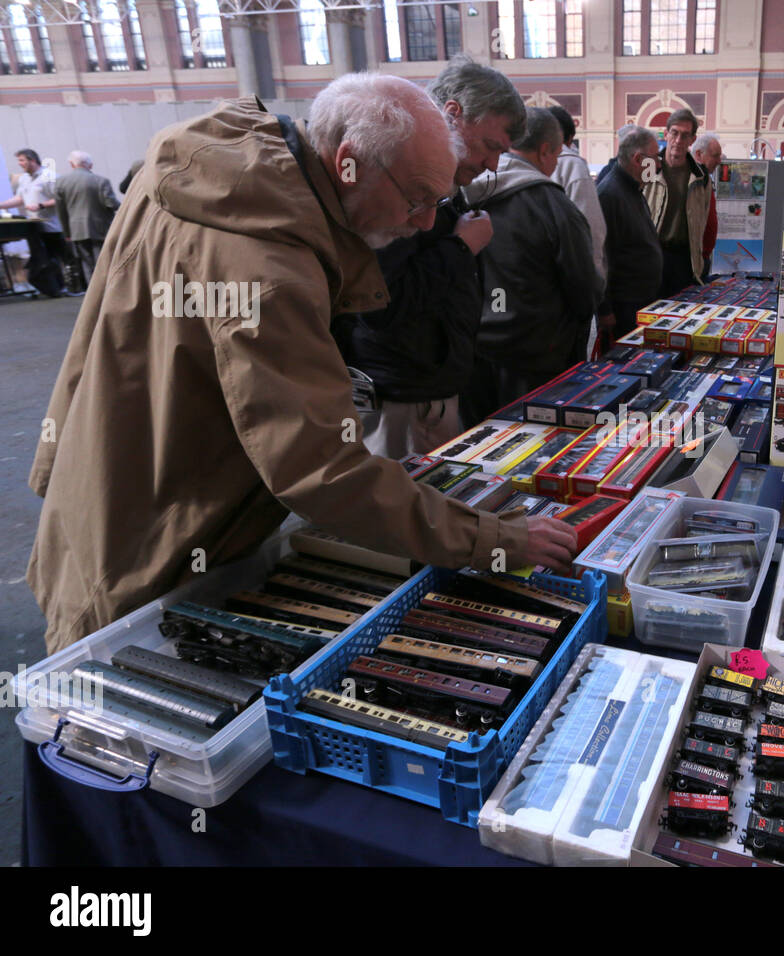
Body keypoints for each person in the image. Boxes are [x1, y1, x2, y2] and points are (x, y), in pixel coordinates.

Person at [27, 73, 576, 654]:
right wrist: (494, 539)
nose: (421, 222)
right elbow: (321, 471)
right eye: (416, 199)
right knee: (104, 695)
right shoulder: (267, 267)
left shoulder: (225, 168)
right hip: (152, 540)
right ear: (348, 163)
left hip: (102, 485)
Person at [333, 54, 525, 458]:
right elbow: (381, 302)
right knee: (404, 509)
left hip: (424, 385)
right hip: (402, 392)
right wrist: (460, 247)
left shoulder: (441, 184)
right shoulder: (402, 173)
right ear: (453, 115)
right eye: (490, 146)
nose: (492, 164)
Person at [460, 108, 601, 424]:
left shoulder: (467, 192)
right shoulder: (555, 206)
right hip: (537, 360)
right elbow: (584, 288)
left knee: (480, 449)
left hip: (475, 355)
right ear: (545, 150)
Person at [596, 126, 663, 341]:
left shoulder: (633, 188)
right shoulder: (610, 194)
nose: (659, 164)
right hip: (623, 307)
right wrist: (605, 310)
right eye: (655, 158)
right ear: (638, 159)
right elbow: (601, 256)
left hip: (640, 301)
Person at [642, 108, 712, 297]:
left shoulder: (701, 176)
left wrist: (701, 260)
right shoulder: (648, 168)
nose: (679, 141)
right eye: (675, 133)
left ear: (692, 140)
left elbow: (704, 220)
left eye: (685, 135)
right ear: (666, 134)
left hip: (684, 260)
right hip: (652, 257)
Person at [548, 104, 606, 283]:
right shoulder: (572, 166)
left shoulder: (504, 163)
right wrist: (596, 289)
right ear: (570, 139)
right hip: (564, 282)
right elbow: (591, 232)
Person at [1, 148, 67, 296]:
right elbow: (20, 199)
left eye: (22, 160)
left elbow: (59, 199)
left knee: (58, 257)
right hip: (36, 226)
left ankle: (67, 287)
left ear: (32, 160)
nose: (20, 164)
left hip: (53, 226)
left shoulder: (49, 176)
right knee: (44, 259)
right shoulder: (24, 179)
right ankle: (53, 288)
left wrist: (41, 205)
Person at [53, 150, 119, 286]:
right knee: (105, 262)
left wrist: (67, 233)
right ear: (90, 165)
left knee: (87, 263)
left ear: (71, 164)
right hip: (101, 228)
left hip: (76, 229)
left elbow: (60, 210)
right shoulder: (101, 181)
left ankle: (93, 295)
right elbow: (111, 204)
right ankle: (109, 290)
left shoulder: (60, 182)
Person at [691, 131, 723, 277]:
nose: (719, 161)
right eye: (715, 156)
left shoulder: (705, 179)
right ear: (698, 154)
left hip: (703, 257)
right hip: (693, 259)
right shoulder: (692, 181)